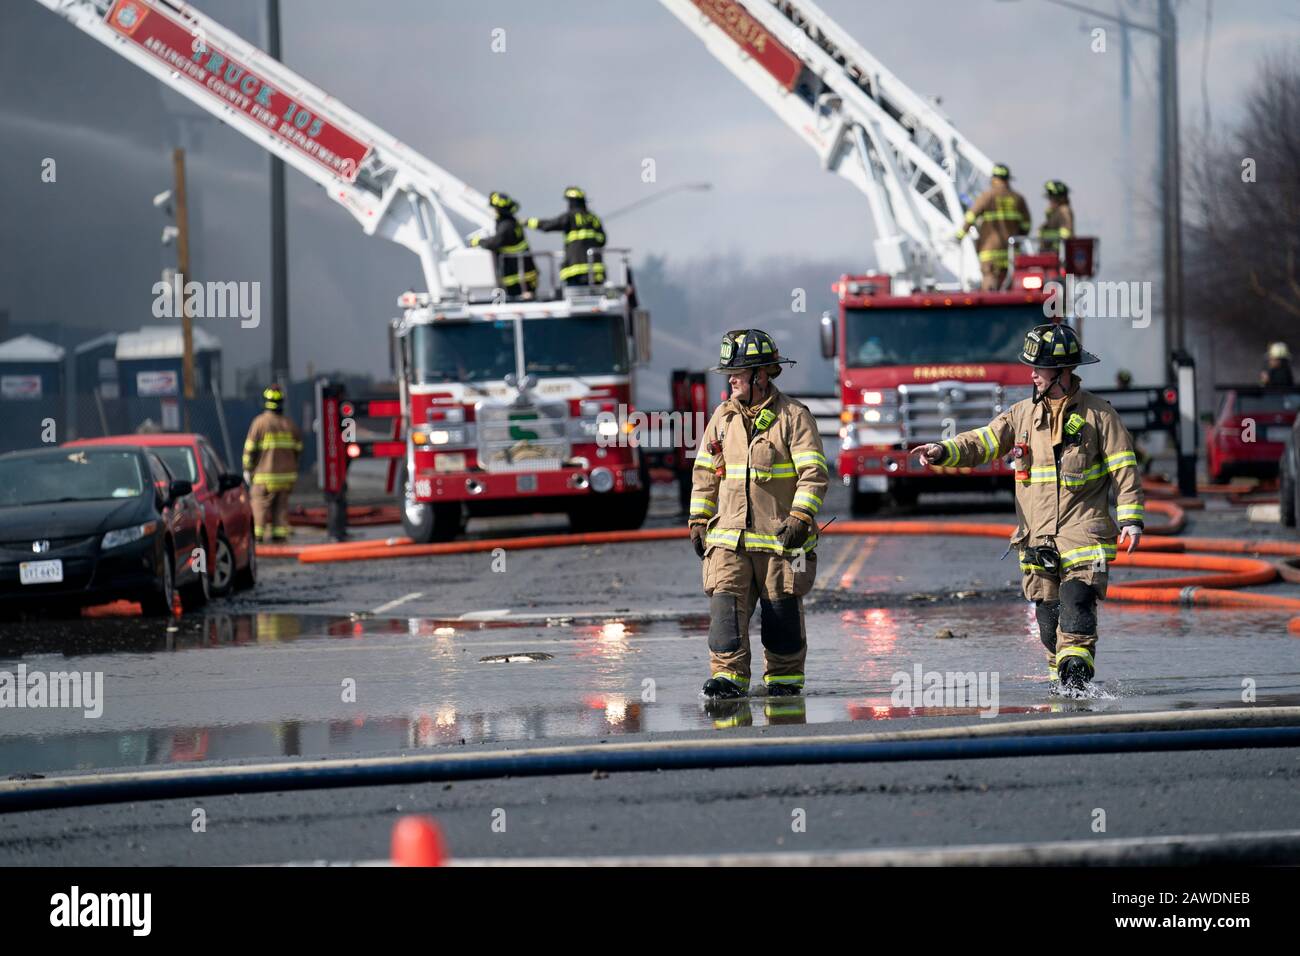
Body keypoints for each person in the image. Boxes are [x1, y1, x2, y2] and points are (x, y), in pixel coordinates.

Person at [909, 324, 1144, 692]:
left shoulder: (1101, 417)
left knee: (1077, 605)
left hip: (1084, 536)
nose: (1032, 374)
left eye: (1040, 368)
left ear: (1063, 372)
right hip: (1036, 539)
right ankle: (1063, 685)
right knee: (1048, 623)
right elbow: (983, 442)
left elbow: (1124, 469)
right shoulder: (1020, 417)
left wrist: (1131, 519)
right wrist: (942, 450)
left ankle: (1076, 677)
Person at [688, 329, 829, 699]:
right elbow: (705, 474)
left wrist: (800, 517)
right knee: (725, 611)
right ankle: (728, 679)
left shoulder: (794, 417)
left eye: (739, 372)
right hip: (728, 540)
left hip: (781, 541)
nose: (731, 379)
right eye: (730, 373)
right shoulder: (722, 418)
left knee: (781, 614)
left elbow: (813, 474)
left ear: (762, 375)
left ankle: (783, 681)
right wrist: (698, 521)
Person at [956, 163, 1032, 290]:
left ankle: (990, 308)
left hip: (990, 250)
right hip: (1011, 251)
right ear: (1007, 180)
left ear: (994, 179)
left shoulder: (987, 196)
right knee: (1010, 283)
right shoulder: (1018, 198)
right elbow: (1026, 225)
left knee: (990, 280)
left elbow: (971, 216)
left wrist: (960, 234)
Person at [242, 384, 303, 543]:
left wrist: (247, 469)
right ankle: (279, 537)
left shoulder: (260, 423)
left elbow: (250, 449)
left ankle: (257, 540)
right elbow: (298, 450)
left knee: (259, 507)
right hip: (286, 478)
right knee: (280, 510)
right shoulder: (290, 424)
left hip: (264, 477)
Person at [526, 186, 606, 287]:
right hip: (596, 273)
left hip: (576, 273)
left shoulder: (570, 216)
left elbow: (548, 225)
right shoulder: (594, 219)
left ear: (572, 202)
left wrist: (528, 222)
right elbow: (603, 240)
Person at [470, 191, 538, 297]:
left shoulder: (506, 226)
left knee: (519, 300)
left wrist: (478, 241)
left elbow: (494, 243)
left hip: (517, 277)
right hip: (523, 274)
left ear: (498, 210)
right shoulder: (511, 222)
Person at [1039, 179, 1074, 253]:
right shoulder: (1054, 213)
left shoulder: (1064, 211)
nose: (1050, 201)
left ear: (1058, 198)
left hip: (1058, 255)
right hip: (1050, 254)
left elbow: (1066, 234)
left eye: (1051, 198)